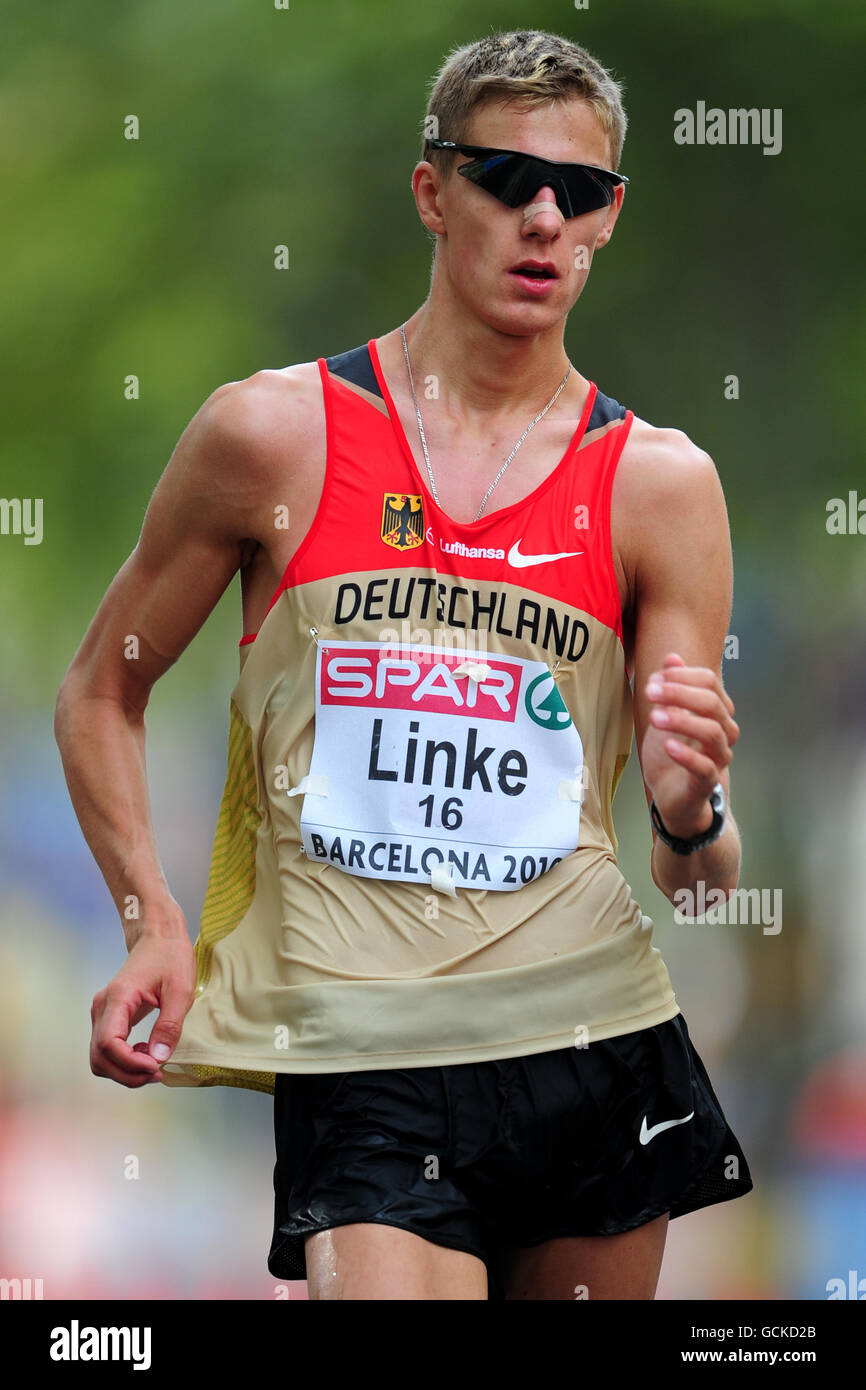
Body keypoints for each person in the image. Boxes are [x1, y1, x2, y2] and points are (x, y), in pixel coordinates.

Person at [54, 28, 753, 1300]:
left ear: (607, 217)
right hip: (363, 1050)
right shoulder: (272, 437)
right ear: (432, 191)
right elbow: (103, 688)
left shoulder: (657, 485)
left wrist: (687, 803)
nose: (542, 218)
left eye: (578, 191)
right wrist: (151, 917)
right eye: (506, 178)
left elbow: (698, 881)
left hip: (594, 1033)